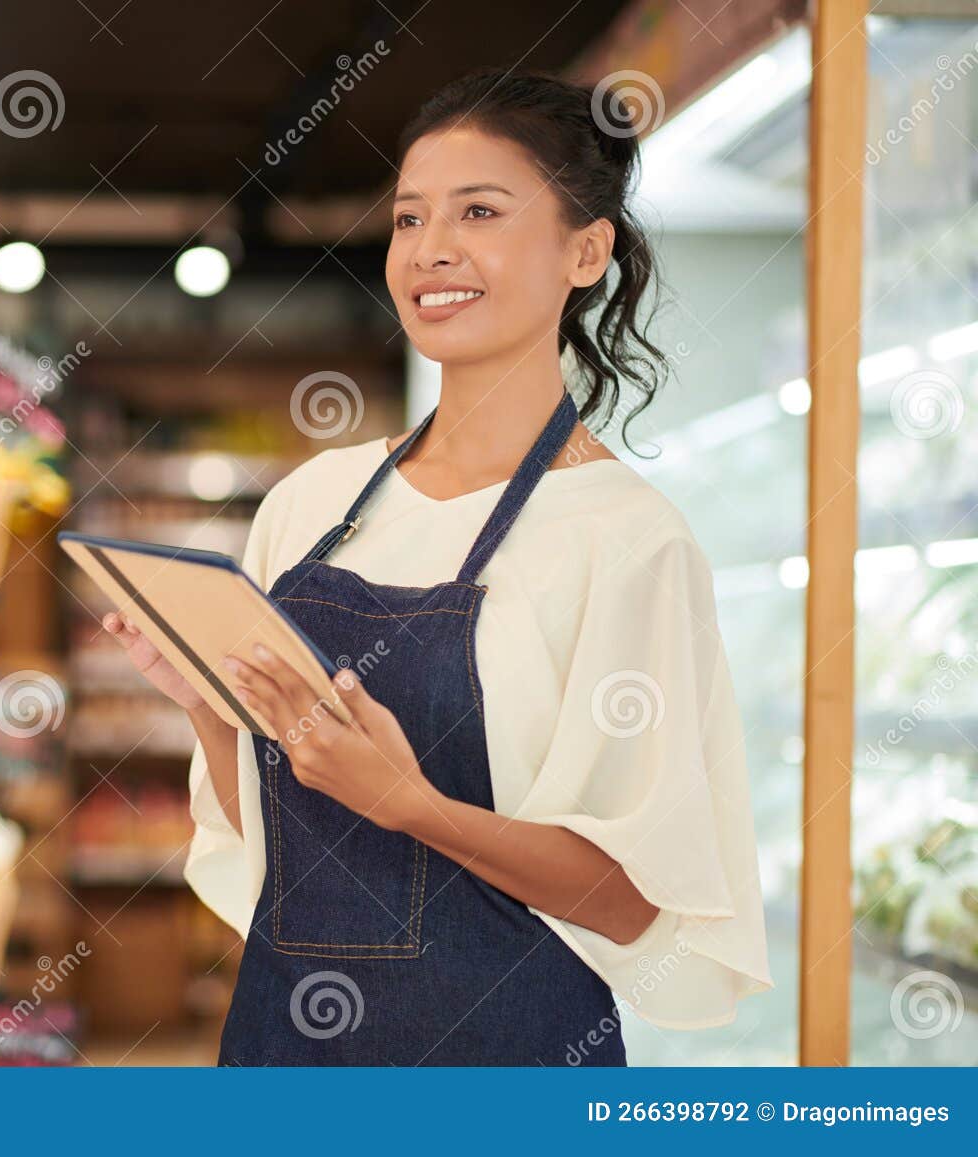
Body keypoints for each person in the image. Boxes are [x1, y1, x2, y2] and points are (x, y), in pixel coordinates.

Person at [103, 67, 773, 1065]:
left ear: (585, 251)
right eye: (409, 218)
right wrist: (206, 700)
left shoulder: (627, 539)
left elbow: (632, 897)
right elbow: (278, 850)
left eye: (480, 211)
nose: (431, 250)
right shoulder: (310, 503)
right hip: (284, 1049)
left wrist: (409, 805)